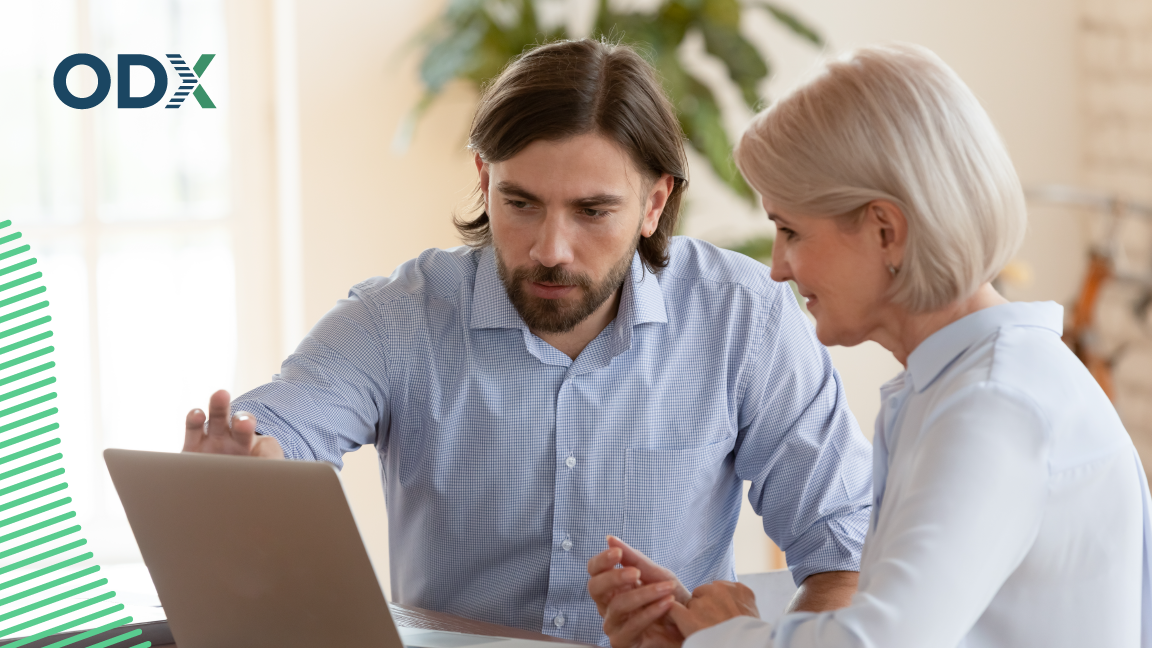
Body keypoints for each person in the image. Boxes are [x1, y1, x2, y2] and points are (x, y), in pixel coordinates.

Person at [181, 38, 874, 646]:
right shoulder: (398, 318)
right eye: (520, 203)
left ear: (654, 203)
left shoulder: (742, 315)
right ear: (484, 180)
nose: (550, 249)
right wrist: (244, 467)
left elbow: (844, 550)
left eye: (593, 211)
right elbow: (283, 429)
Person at [588, 43, 1152, 648]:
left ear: (886, 231)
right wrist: (701, 631)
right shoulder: (960, 386)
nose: (778, 267)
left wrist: (730, 637)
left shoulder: (994, 405)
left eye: (791, 231)